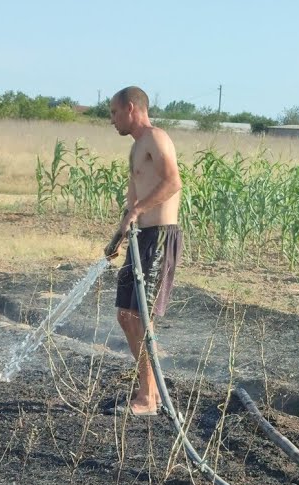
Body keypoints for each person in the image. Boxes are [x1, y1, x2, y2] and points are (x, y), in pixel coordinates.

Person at [103, 86, 183, 417]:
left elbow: (173, 182)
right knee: (125, 315)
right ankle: (148, 393)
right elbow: (132, 202)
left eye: (114, 113)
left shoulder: (156, 138)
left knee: (141, 317)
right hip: (139, 238)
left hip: (160, 237)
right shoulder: (136, 149)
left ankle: (149, 399)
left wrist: (139, 212)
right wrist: (119, 235)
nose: (112, 120)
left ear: (132, 109)